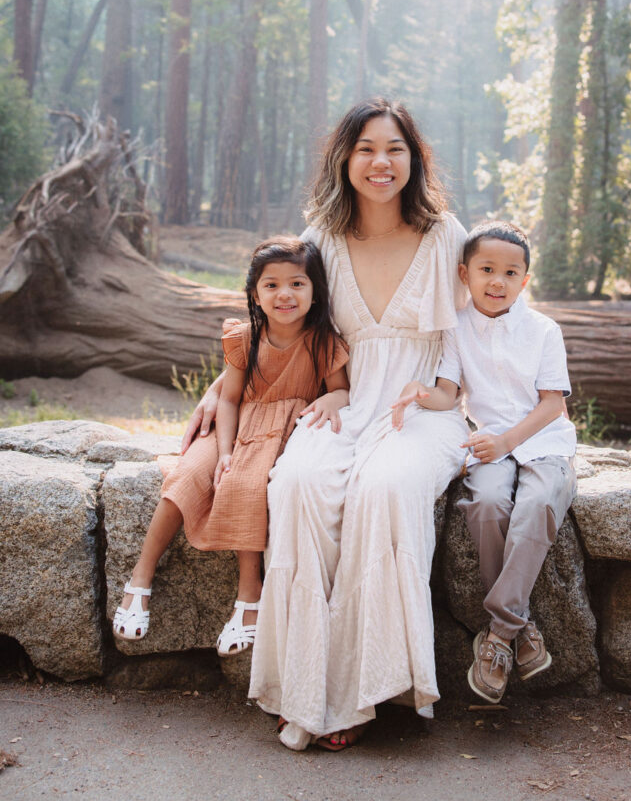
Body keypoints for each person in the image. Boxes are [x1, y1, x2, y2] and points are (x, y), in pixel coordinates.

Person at [181, 98, 469, 751]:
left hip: (423, 403)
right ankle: (306, 689)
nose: (380, 161)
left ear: (413, 158)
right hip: (340, 396)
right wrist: (217, 385)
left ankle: (365, 692)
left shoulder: (445, 232)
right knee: (299, 483)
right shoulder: (321, 239)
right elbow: (276, 322)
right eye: (366, 147)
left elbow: (471, 331)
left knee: (384, 488)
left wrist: (440, 394)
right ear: (344, 158)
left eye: (394, 148)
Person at [113, 236, 349, 656]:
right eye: (271, 285)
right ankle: (140, 578)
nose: (284, 294)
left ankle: (248, 598)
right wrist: (223, 451)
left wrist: (333, 397)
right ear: (255, 295)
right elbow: (229, 397)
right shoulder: (244, 338)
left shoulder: (322, 340)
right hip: (236, 423)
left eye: (297, 283)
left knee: (246, 484)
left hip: (281, 430)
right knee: (186, 477)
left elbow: (341, 391)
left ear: (315, 292)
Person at [391, 220, 577, 704]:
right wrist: (419, 393)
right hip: (490, 446)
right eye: (487, 269)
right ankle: (521, 625)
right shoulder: (457, 330)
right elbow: (448, 394)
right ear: (464, 272)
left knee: (536, 508)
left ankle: (498, 637)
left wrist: (506, 442)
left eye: (510, 272)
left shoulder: (542, 330)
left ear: (524, 280)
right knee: (487, 503)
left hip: (543, 442)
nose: (497, 281)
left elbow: (553, 404)